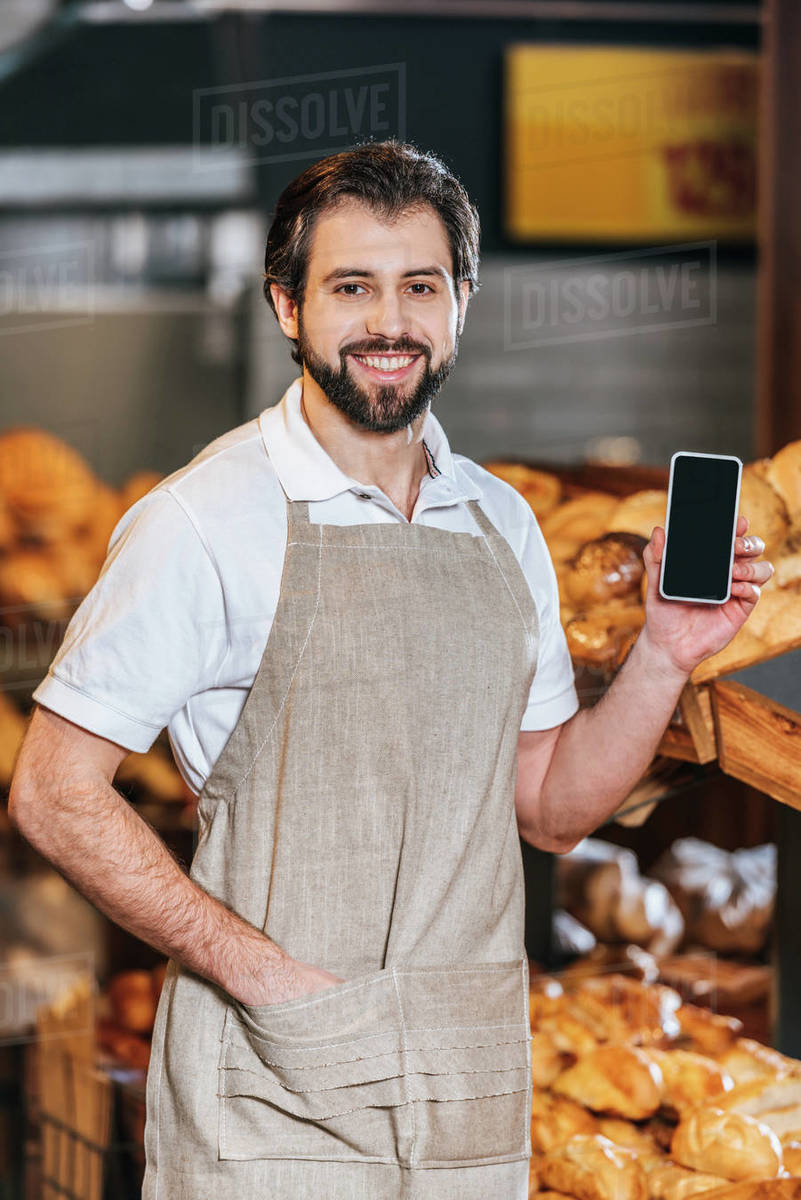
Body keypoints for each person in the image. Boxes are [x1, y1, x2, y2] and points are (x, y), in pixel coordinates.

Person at [9, 140, 772, 1200]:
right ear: (287, 307)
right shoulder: (204, 519)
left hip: (468, 1108)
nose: (389, 321)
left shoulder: (501, 525)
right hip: (273, 1109)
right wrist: (260, 975)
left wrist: (663, 653)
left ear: (461, 301)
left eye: (420, 286)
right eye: (350, 286)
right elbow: (52, 791)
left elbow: (550, 807)